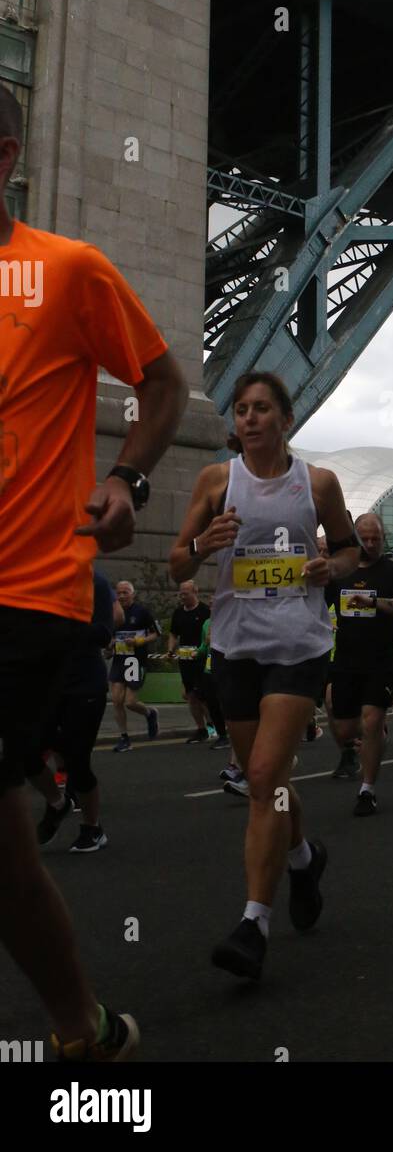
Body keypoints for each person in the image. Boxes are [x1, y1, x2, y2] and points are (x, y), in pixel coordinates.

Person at [0, 76, 188, 1060]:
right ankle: (82, 1026)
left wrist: (126, 481)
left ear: (3, 158)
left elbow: (162, 381)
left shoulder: (64, 271)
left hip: (27, 592)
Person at [168, 371, 359, 981]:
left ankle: (254, 922)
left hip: (298, 644)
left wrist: (331, 565)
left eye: (261, 409)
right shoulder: (217, 481)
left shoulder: (317, 484)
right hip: (235, 646)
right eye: (241, 410)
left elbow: (353, 549)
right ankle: (302, 858)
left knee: (263, 775)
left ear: (285, 419)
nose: (249, 419)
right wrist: (201, 544)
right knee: (266, 785)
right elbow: (176, 562)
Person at [326, 512, 393, 814]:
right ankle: (374, 740)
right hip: (346, 660)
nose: (372, 543)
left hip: (381, 660)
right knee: (345, 728)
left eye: (377, 538)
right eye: (365, 538)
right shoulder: (340, 574)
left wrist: (374, 602)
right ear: (355, 537)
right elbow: (314, 601)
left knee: (372, 719)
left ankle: (367, 790)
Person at [25, 569, 115, 853]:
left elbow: (103, 633)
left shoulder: (95, 583)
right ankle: (58, 803)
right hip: (47, 685)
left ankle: (92, 828)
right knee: (27, 752)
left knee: (77, 762)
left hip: (84, 685)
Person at [168, 580, 225, 745]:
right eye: (181, 593)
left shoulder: (205, 612)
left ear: (195, 592)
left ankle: (214, 727)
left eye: (186, 593)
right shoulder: (178, 613)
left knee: (206, 696)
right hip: (186, 659)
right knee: (191, 695)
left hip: (204, 661)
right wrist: (171, 650)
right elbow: (173, 633)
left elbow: (207, 642)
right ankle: (202, 729)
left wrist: (203, 649)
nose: (182, 596)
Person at [108, 582, 160, 751]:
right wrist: (110, 644)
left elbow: (156, 633)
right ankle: (124, 737)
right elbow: (109, 636)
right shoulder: (114, 613)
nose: (121, 596)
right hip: (118, 660)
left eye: (125, 592)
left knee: (130, 702)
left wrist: (140, 641)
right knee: (116, 701)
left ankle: (150, 714)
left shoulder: (142, 612)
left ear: (133, 594)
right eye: (119, 593)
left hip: (135, 661)